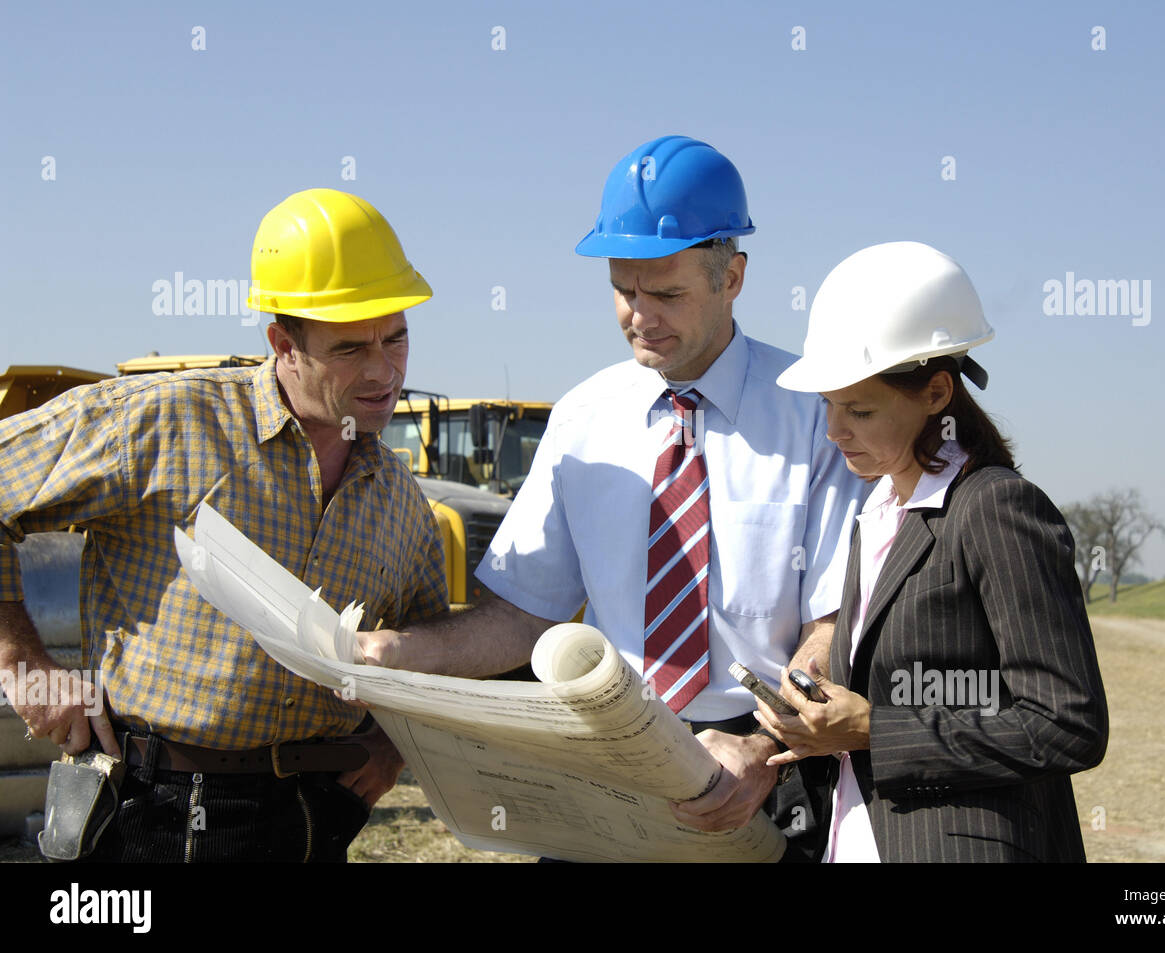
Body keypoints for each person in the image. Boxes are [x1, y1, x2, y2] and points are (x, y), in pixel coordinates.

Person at [358, 135, 865, 860]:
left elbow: (831, 625)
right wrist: (406, 651)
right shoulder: (582, 418)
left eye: (666, 294)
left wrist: (765, 744)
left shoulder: (814, 416)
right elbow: (526, 614)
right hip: (603, 763)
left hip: (763, 771)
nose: (639, 315)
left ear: (734, 278)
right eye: (623, 291)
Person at [0, 188, 448, 862]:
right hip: (151, 812)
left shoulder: (403, 504)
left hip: (311, 818)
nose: (384, 372)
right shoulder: (160, 422)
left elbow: (430, 649)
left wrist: (390, 746)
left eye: (397, 337)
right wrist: (23, 664)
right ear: (281, 342)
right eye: (351, 348)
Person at [755, 241, 1108, 862]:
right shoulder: (879, 512)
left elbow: (1067, 726)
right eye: (828, 407)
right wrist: (818, 720)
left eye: (860, 409)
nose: (836, 432)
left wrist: (872, 730)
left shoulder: (995, 509)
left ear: (937, 394)